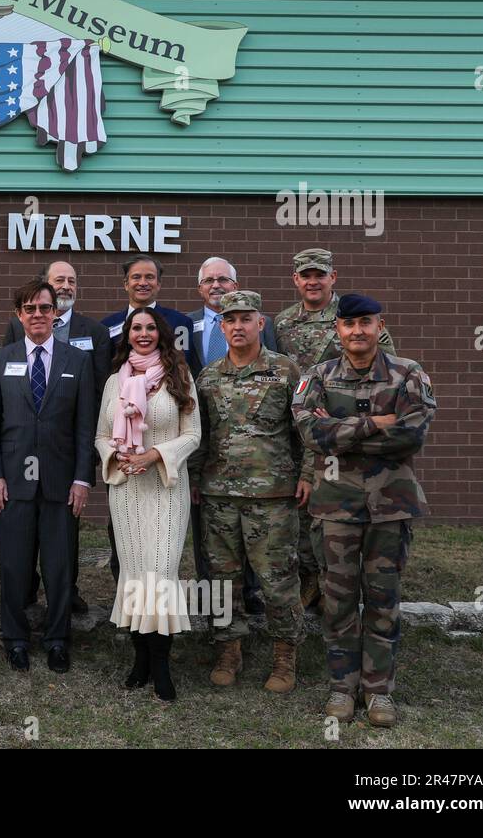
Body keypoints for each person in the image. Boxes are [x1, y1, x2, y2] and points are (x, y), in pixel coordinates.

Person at [293, 294, 435, 729]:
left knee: (382, 600)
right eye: (349, 323)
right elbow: (310, 433)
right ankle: (342, 687)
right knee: (337, 601)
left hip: (390, 508)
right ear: (338, 328)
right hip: (335, 508)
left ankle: (377, 692)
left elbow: (412, 434)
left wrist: (341, 430)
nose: (358, 331)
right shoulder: (317, 375)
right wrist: (377, 422)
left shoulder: (407, 373)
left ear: (379, 325)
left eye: (366, 323)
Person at [188, 291, 308, 694]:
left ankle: (284, 654)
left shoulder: (286, 371)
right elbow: (200, 437)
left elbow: (306, 431)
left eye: (246, 318)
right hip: (218, 497)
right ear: (221, 327)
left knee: (277, 580)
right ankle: (228, 649)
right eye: (230, 319)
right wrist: (192, 479)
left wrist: (307, 474)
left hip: (272, 498)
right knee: (221, 579)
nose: (237, 326)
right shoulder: (208, 377)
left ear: (261, 323)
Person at [0, 280, 95, 674]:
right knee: (13, 565)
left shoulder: (75, 361)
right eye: (29, 308)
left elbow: (85, 427)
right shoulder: (1, 360)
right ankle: (15, 640)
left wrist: (83, 479)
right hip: (11, 483)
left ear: (56, 312)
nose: (38, 315)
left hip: (62, 484)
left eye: (45, 308)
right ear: (19, 314)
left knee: (60, 566)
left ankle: (58, 639)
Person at [275, 248, 397, 611]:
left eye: (320, 274)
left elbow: (384, 372)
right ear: (296, 279)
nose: (313, 281)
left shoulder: (354, 317)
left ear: (333, 277)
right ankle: (311, 580)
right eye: (305, 275)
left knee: (335, 514)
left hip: (342, 434)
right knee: (300, 509)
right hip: (298, 430)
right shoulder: (282, 323)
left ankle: (342, 588)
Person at [96, 307, 200, 702]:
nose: (143, 334)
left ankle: (161, 665)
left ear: (161, 333)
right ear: (128, 334)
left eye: (150, 328)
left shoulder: (180, 376)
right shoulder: (114, 381)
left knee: (160, 572)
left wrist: (152, 454)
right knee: (135, 574)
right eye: (136, 328)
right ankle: (139, 659)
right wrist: (116, 454)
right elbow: (101, 434)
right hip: (126, 488)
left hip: (164, 487)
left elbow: (193, 435)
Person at [5, 260, 108, 615]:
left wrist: (87, 459)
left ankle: (66, 593)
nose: (65, 285)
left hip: (67, 450)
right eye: (58, 279)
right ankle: (27, 589)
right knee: (22, 537)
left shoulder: (92, 333)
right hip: (23, 456)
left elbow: (95, 396)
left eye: (71, 280)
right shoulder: (13, 336)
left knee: (64, 533)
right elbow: (8, 392)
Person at [186, 258, 269, 613]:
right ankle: (213, 598)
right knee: (210, 531)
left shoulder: (264, 327)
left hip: (257, 455)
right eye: (209, 280)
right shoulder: (183, 326)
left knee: (253, 528)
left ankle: (250, 593)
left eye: (224, 279)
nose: (216, 285)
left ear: (236, 286)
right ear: (200, 288)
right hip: (203, 443)